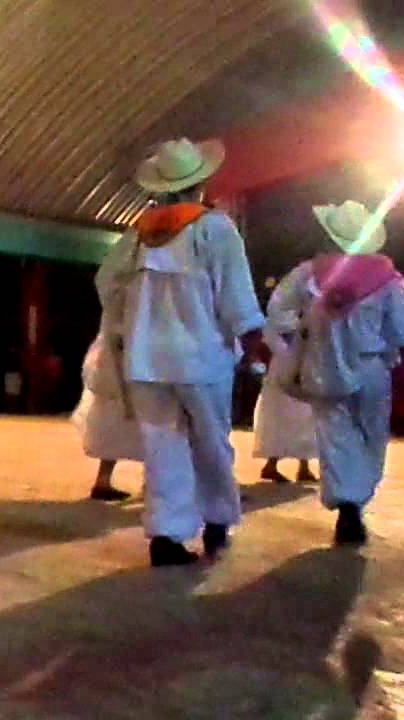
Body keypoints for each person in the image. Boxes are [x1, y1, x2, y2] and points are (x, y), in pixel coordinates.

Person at [95, 138, 265, 566]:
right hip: (202, 358)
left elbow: (106, 283)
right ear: (199, 184)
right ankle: (217, 520)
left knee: (161, 448)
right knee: (211, 444)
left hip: (146, 361)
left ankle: (166, 538)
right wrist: (250, 340)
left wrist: (130, 323)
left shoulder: (138, 234)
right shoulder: (215, 228)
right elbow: (236, 294)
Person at [267, 200, 404, 545]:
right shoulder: (387, 279)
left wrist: (302, 334)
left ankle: (347, 505)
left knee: (335, 435)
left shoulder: (307, 273)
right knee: (372, 435)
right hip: (372, 367)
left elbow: (278, 312)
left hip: (324, 365)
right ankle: (358, 498)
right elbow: (403, 332)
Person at [71, 333, 142, 502]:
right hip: (130, 352)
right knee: (152, 420)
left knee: (112, 416)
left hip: (113, 354)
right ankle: (152, 482)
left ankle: (103, 479)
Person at [252, 322, 318, 484]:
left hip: (299, 360)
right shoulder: (280, 317)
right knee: (282, 414)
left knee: (304, 414)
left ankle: (303, 466)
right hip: (286, 363)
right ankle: (273, 464)